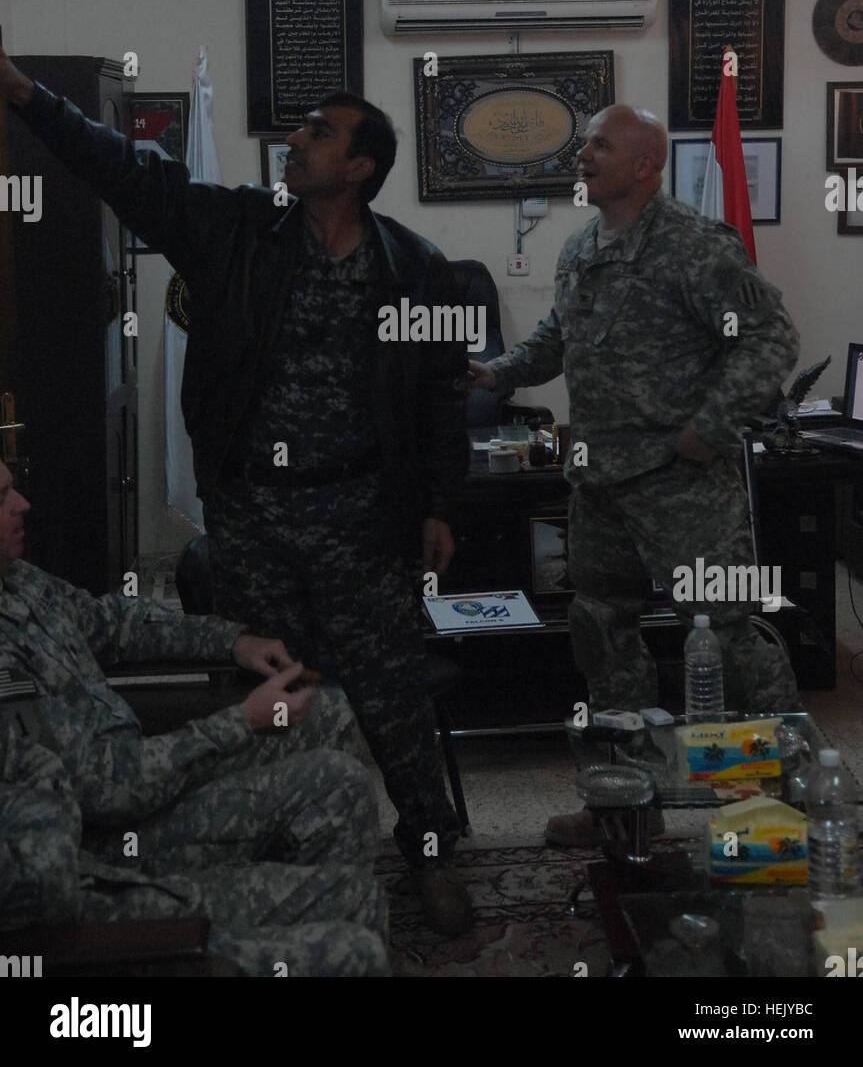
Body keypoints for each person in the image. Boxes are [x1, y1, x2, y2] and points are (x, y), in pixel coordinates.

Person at [0, 50, 471, 934]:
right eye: (300, 128)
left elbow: (441, 392)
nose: (295, 142)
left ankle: (432, 853)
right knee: (270, 688)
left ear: (361, 167)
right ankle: (271, 857)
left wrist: (440, 501)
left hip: (361, 515)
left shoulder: (415, 269)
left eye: (319, 134)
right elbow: (124, 166)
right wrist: (27, 96)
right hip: (254, 512)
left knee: (392, 695)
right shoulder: (236, 232)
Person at [466, 104, 801, 846]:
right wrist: (492, 371)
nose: (581, 154)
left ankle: (775, 806)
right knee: (601, 633)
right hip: (600, 483)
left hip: (684, 485)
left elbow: (770, 338)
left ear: (644, 165)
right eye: (584, 141)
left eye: (599, 144)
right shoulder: (583, 244)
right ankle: (622, 803)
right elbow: (560, 337)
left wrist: (709, 429)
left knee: (726, 635)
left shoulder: (693, 245)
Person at [0, 455, 384, 932]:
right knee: (338, 784)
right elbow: (102, 792)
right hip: (110, 838)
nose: (23, 503)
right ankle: (300, 924)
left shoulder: (18, 583)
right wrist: (240, 721)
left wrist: (231, 642)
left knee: (326, 714)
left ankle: (299, 924)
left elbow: (116, 624)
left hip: (148, 776)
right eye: (2, 497)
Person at [0, 724, 389, 977]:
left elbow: (38, 761)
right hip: (80, 937)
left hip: (106, 865)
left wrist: (232, 644)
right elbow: (43, 883)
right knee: (356, 951)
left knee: (359, 893)